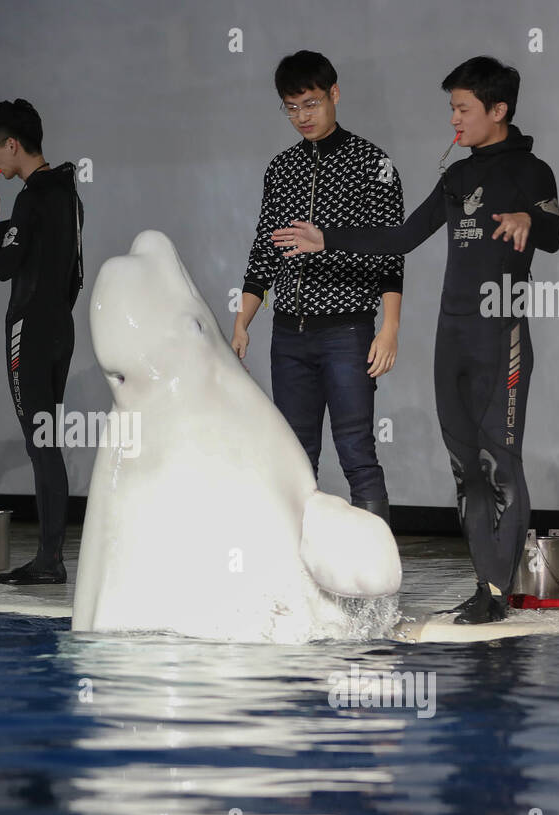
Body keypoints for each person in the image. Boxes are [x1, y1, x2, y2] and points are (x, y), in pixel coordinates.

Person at [276, 56, 559, 624]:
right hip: (451, 336)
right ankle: (485, 583)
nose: (453, 118)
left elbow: (553, 233)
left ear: (497, 111)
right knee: (465, 469)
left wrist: (529, 219)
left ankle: (500, 594)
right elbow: (403, 237)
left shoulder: (532, 171)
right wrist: (326, 238)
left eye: (462, 108)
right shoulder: (457, 177)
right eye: (451, 108)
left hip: (499, 332)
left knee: (499, 462)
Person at [232, 50, 405, 526]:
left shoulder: (374, 164)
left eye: (310, 103)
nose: (301, 117)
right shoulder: (280, 168)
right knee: (293, 457)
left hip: (346, 331)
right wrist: (243, 320)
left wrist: (389, 329)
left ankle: (377, 581)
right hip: (288, 333)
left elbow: (390, 254)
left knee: (356, 452)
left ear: (334, 94)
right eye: (291, 108)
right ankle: (296, 573)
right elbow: (264, 252)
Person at [0, 99, 84, 585]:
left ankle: (49, 560)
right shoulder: (67, 191)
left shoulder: (33, 195)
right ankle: (50, 556)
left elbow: (2, 267)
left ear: (12, 144)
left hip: (31, 330)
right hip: (60, 325)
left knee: (41, 446)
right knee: (48, 441)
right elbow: (75, 272)